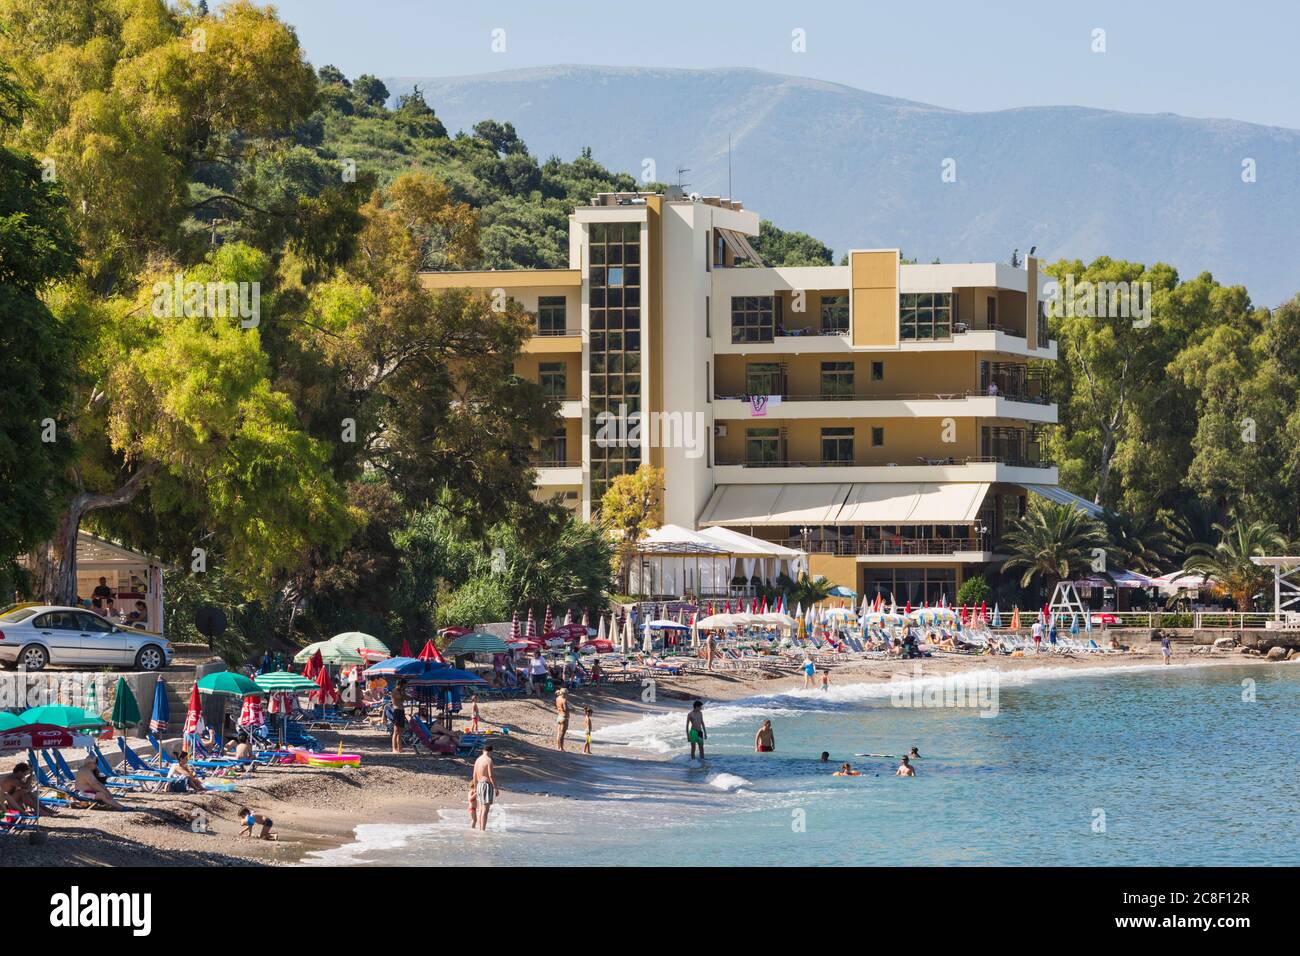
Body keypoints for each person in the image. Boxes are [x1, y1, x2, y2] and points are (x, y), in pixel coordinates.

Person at [472, 745, 499, 831]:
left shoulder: (478, 760)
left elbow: (474, 775)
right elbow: (491, 776)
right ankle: (483, 830)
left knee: (481, 808)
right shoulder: (489, 760)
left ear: (483, 751)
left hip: (479, 784)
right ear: (490, 751)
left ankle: (481, 828)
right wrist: (496, 788)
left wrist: (475, 788)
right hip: (486, 785)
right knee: (485, 810)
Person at [390, 680, 407, 754]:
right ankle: (394, 748)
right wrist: (403, 692)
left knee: (401, 731)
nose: (405, 687)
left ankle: (400, 748)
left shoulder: (400, 691)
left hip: (401, 711)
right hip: (397, 711)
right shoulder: (395, 691)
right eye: (404, 685)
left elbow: (404, 698)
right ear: (401, 685)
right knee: (396, 731)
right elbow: (400, 697)